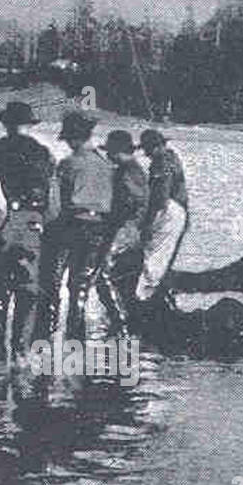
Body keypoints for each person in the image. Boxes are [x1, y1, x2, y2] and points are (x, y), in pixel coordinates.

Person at [0, 100, 55, 361]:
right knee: (28, 288)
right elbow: (51, 196)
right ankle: (21, 352)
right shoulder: (42, 153)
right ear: (29, 124)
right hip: (32, 223)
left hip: (2, 222)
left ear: (6, 124)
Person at [38, 111, 113, 340]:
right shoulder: (106, 164)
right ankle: (76, 336)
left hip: (72, 224)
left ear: (73, 138)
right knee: (80, 285)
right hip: (99, 227)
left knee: (54, 280)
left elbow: (55, 204)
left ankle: (48, 333)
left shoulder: (68, 164)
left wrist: (47, 230)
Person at [93, 129, 148, 336]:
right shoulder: (132, 170)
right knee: (120, 277)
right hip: (131, 231)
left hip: (124, 229)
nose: (108, 156)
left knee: (102, 273)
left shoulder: (127, 172)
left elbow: (132, 202)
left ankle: (119, 320)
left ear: (118, 151)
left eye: (111, 152)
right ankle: (120, 321)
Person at [136, 129, 189, 306]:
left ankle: (144, 296)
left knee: (154, 254)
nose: (146, 153)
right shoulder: (172, 158)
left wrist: (148, 223)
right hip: (178, 210)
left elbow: (160, 196)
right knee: (162, 255)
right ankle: (153, 293)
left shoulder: (161, 162)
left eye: (147, 149)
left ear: (155, 147)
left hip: (168, 209)